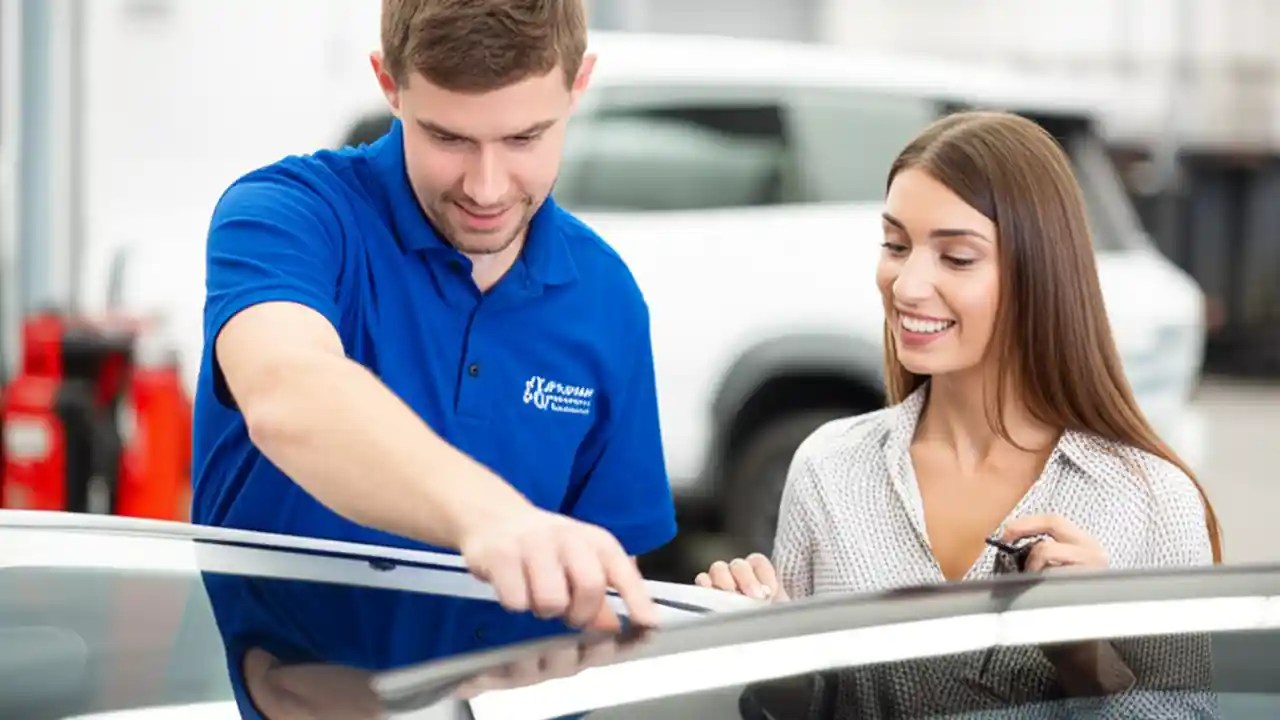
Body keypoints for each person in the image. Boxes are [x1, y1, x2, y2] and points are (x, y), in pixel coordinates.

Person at [190, 0, 677, 653]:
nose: (486, 187)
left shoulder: (607, 298)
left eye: (524, 139)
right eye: (449, 138)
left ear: (578, 84)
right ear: (389, 84)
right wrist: (491, 517)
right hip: (298, 693)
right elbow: (287, 390)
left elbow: (607, 593)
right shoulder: (288, 216)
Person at [695, 110, 1222, 713]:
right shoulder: (828, 467)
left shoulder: (1152, 499)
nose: (906, 285)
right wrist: (770, 663)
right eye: (896, 246)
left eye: (957, 258)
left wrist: (1087, 659)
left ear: (1039, 274)